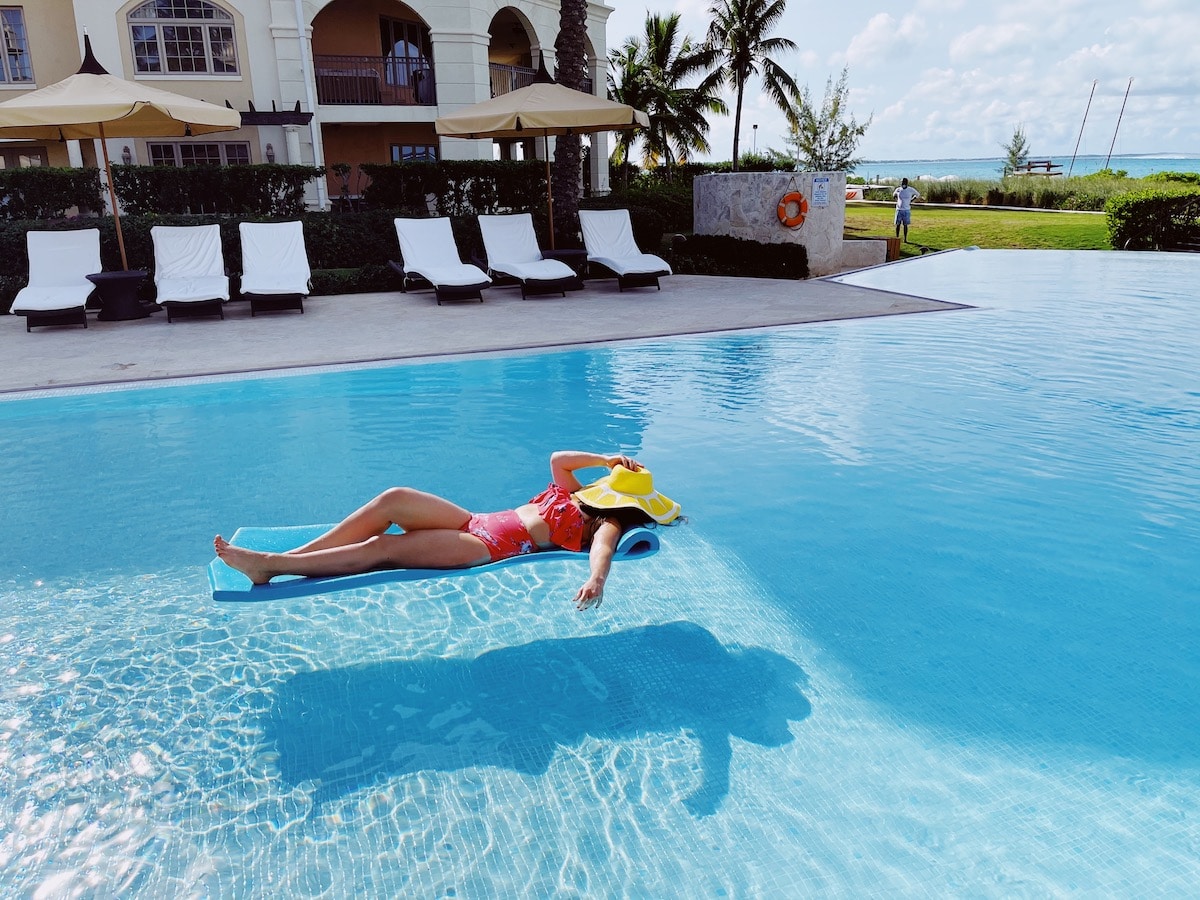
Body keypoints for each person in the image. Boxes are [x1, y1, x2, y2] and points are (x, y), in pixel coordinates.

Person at [213, 450, 680, 611]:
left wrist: (597, 579)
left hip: (486, 544)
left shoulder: (607, 520)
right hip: (472, 519)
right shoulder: (576, 492)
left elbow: (603, 548)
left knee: (383, 548)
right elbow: (558, 459)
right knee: (393, 498)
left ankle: (271, 567)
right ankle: (299, 553)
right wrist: (608, 458)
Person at [893, 177, 921, 242]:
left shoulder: (910, 189)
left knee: (905, 225)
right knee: (898, 224)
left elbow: (917, 194)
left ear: (907, 183)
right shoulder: (898, 189)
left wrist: (912, 200)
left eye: (904, 182)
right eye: (902, 182)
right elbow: (894, 195)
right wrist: (897, 201)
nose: (903, 183)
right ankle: (897, 237)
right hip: (899, 209)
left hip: (906, 210)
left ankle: (905, 238)